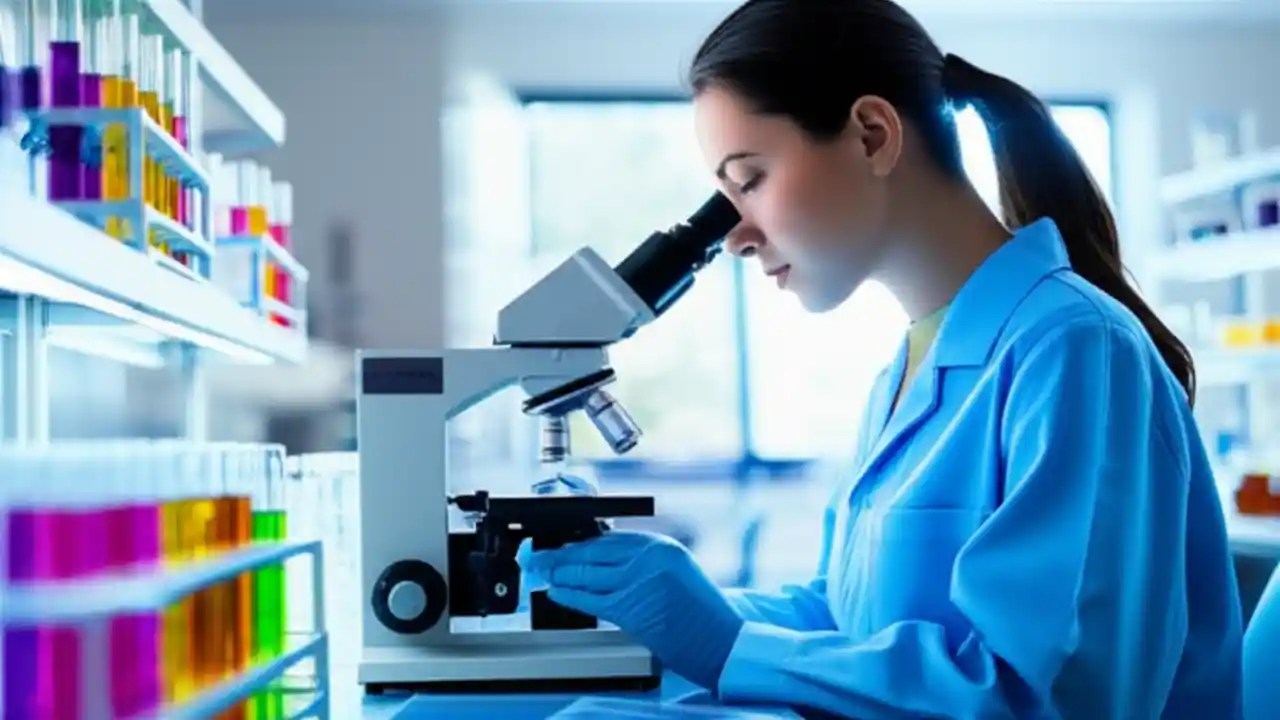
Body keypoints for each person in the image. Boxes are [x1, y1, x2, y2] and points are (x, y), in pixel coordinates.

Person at [521, 0, 1244, 717]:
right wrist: (657, 614)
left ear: (871, 135)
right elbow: (847, 613)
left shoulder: (1075, 349)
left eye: (749, 181)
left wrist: (725, 642)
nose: (736, 236)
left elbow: (1046, 700)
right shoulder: (906, 373)